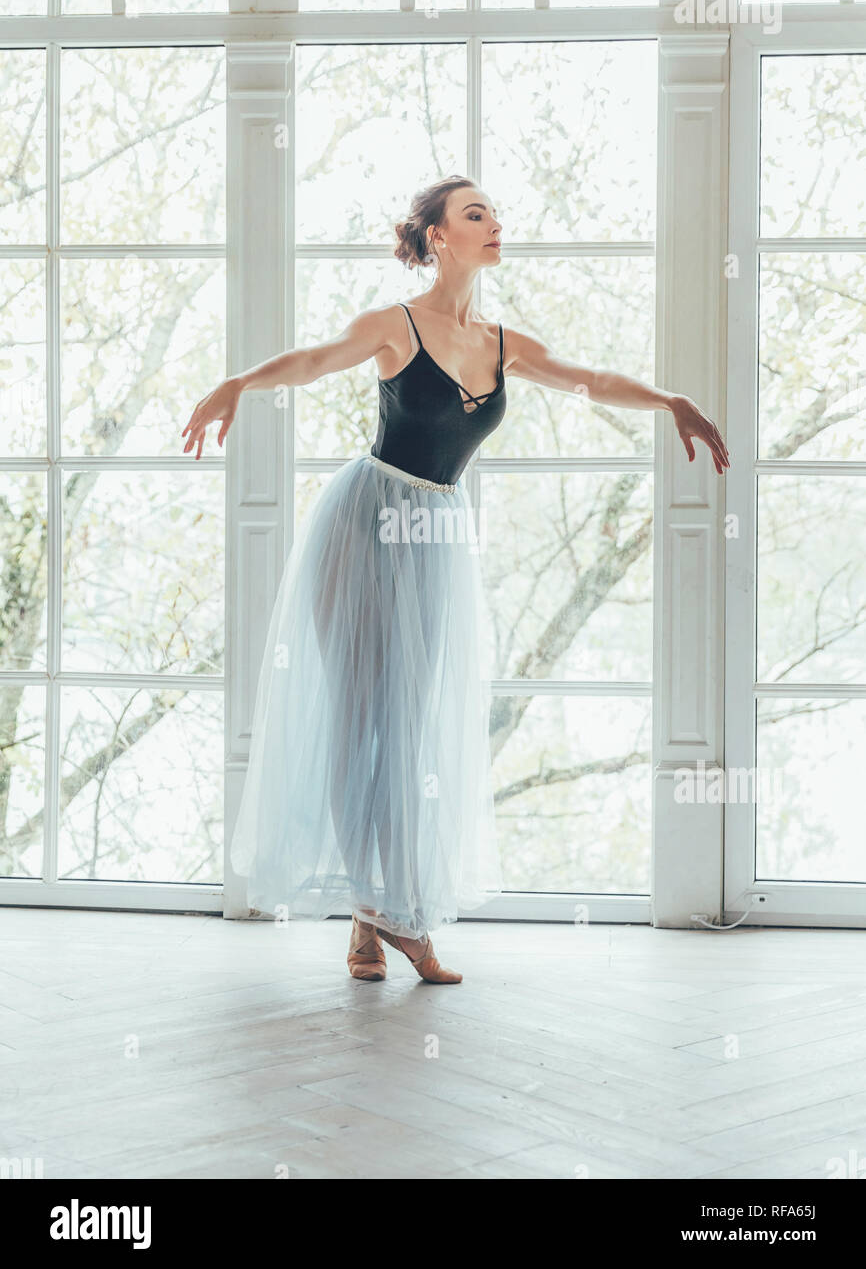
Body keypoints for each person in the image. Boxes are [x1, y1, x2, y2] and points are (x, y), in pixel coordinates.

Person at [181, 174, 730, 984]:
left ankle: (378, 922)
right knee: (361, 720)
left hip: (435, 531)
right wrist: (237, 384)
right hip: (365, 524)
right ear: (438, 236)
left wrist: (671, 399)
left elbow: (591, 380)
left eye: (495, 213)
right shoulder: (395, 326)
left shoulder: (504, 343)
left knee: (409, 723)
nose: (495, 223)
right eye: (476, 214)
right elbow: (311, 359)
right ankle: (399, 921)